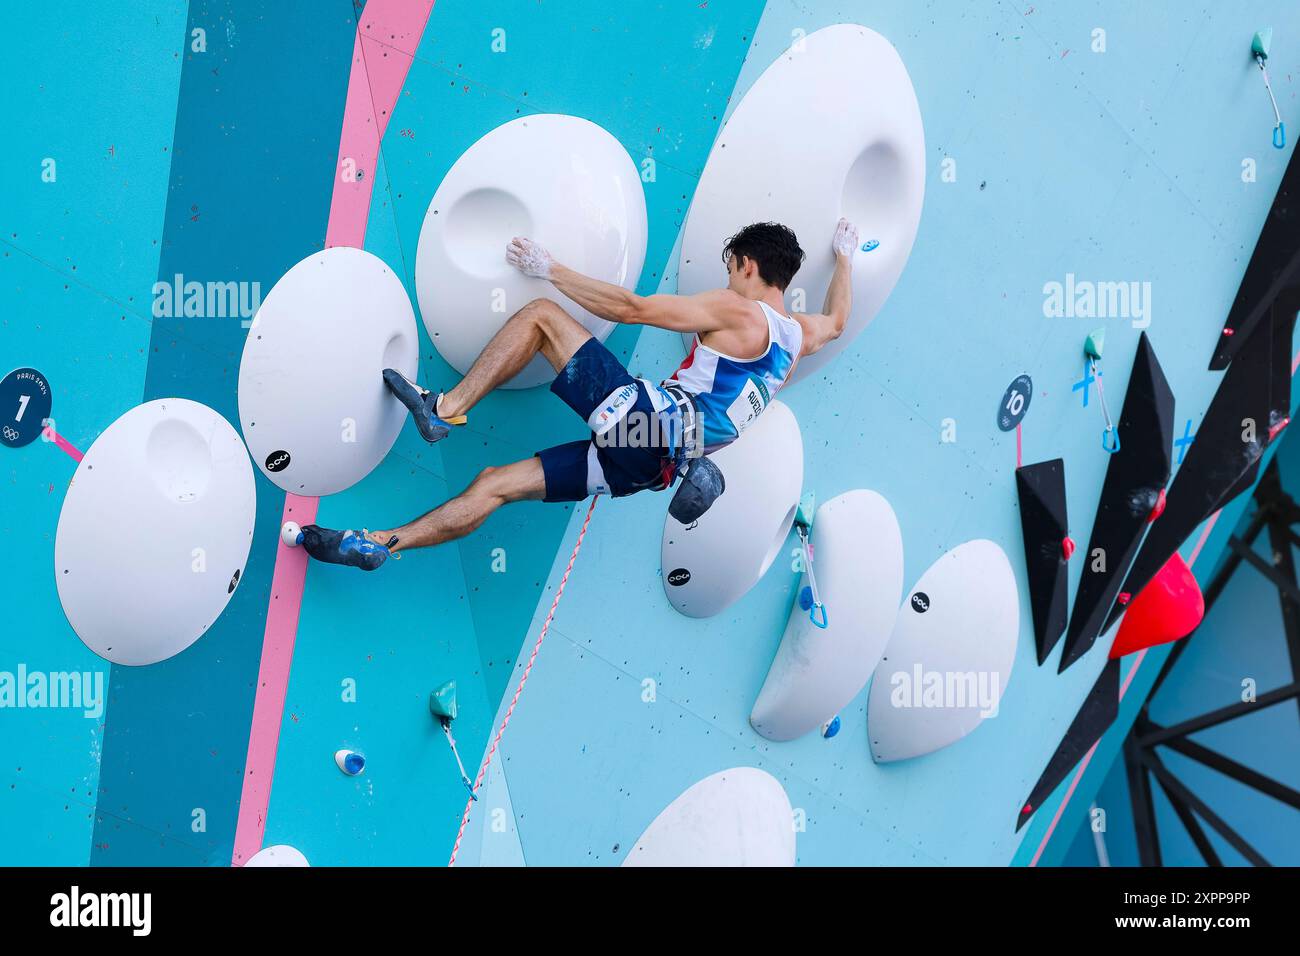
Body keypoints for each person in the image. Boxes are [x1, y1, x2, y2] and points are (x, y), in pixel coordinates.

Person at [299, 218, 860, 570]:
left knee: (543, 316)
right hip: (650, 471)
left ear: (747, 265)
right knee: (495, 486)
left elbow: (635, 308)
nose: (731, 279)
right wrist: (847, 260)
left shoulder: (737, 309)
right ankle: (380, 543)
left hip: (648, 425)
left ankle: (444, 408)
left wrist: (552, 269)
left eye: (733, 269)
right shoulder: (798, 338)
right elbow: (837, 318)